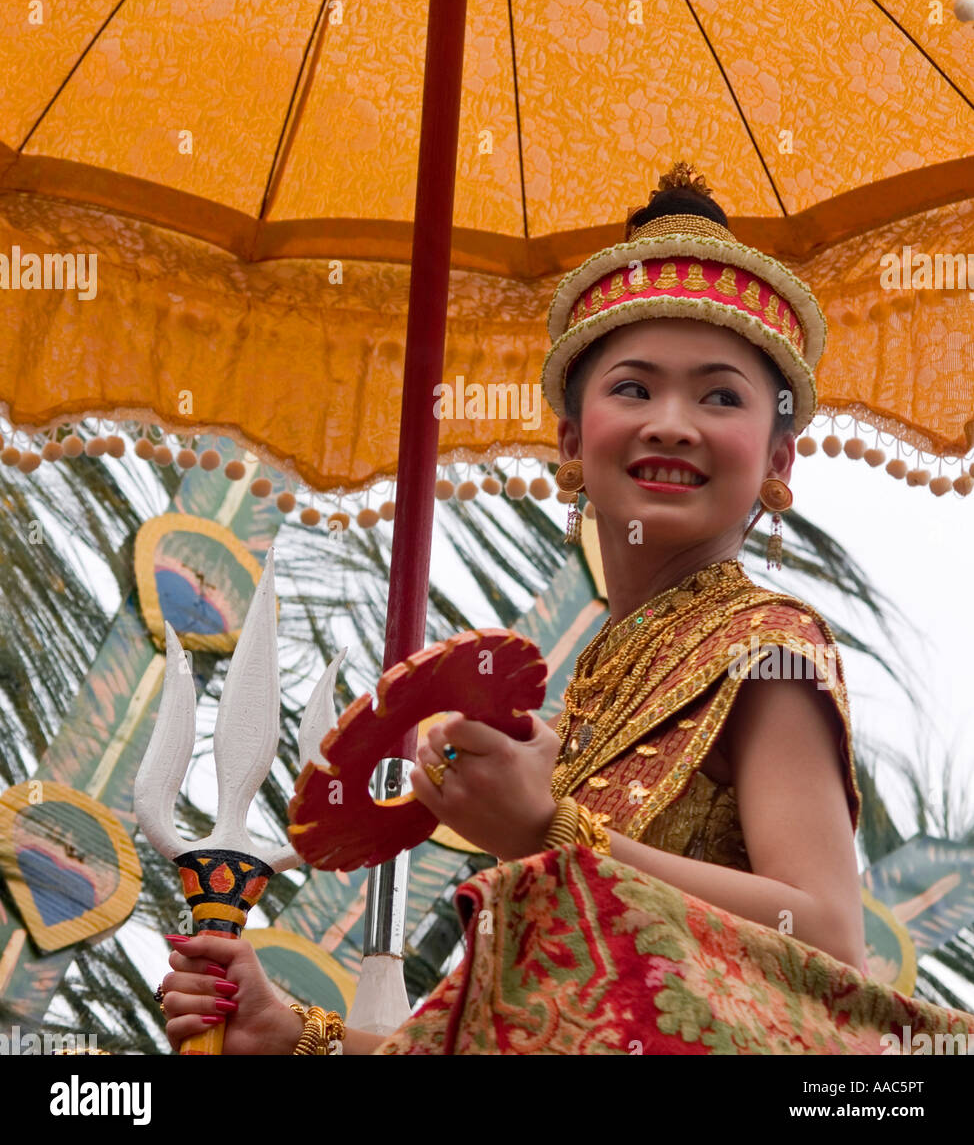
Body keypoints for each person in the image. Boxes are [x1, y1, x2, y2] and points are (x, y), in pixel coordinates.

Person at [160, 162, 974, 1055]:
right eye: (633, 388)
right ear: (570, 441)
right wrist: (297, 1037)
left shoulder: (765, 646)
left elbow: (824, 937)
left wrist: (552, 830)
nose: (672, 421)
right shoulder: (583, 704)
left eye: (720, 395)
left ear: (779, 458)